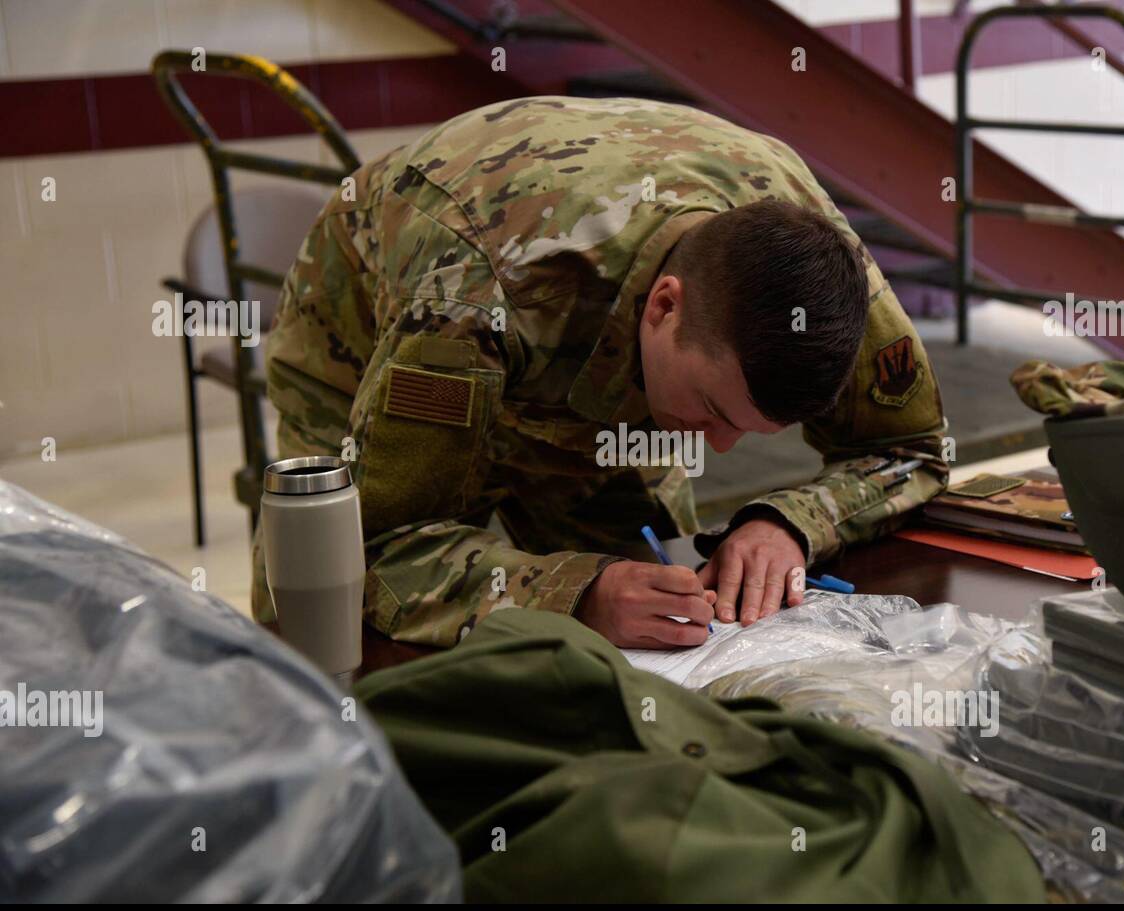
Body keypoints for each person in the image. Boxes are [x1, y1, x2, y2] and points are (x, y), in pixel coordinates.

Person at [252, 95, 947, 650]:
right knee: (327, 621)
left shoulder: (816, 280)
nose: (720, 448)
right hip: (366, 328)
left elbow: (909, 447)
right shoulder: (472, 294)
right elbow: (377, 546)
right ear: (666, 306)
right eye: (711, 408)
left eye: (754, 429)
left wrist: (789, 522)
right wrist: (572, 592)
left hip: (596, 347)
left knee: (654, 607)